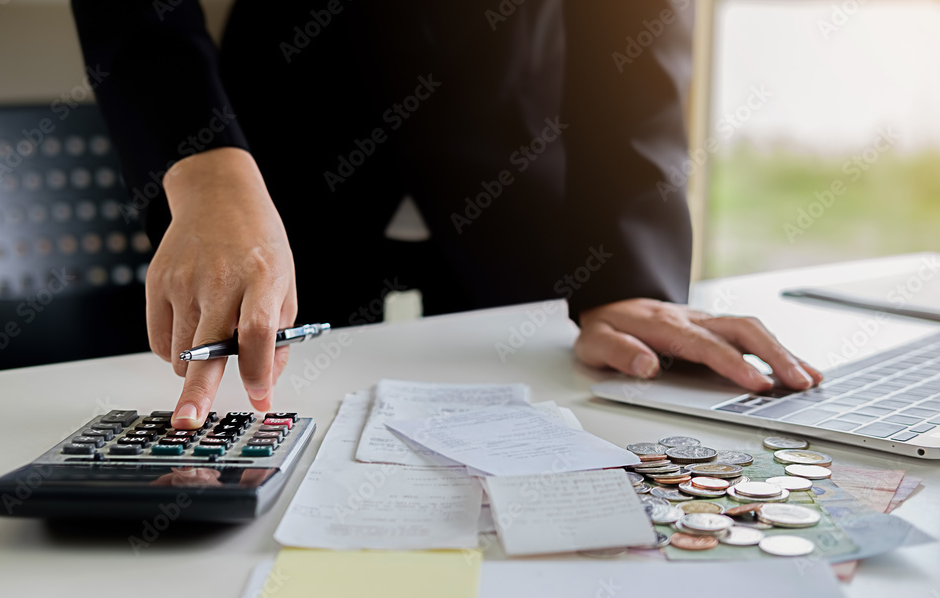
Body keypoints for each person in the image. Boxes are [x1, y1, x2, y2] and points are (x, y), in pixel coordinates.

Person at [71, 0, 821, 430]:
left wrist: (625, 271)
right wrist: (204, 165)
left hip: (524, 179)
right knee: (260, 434)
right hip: (279, 166)